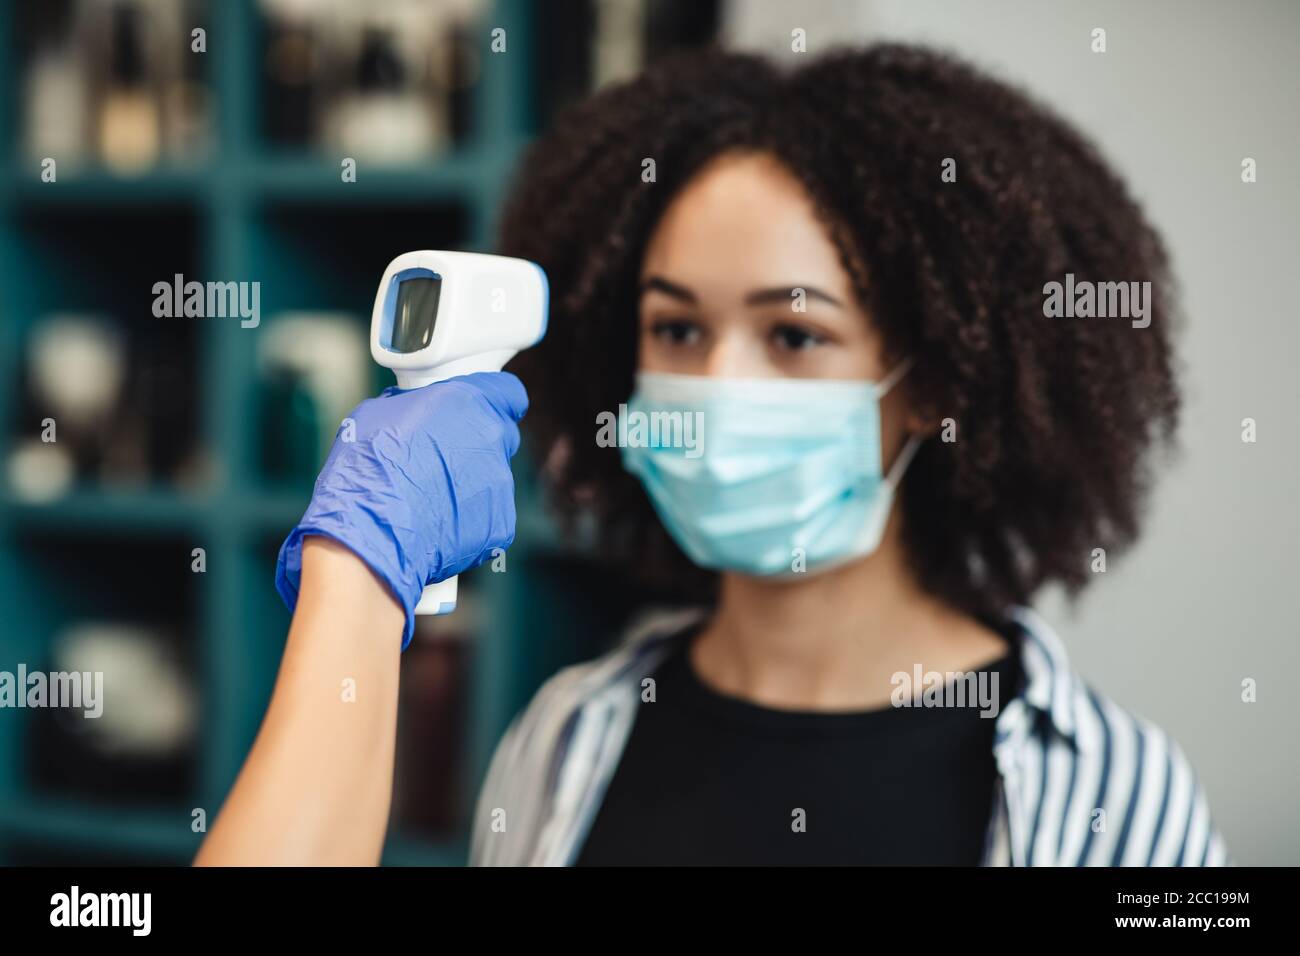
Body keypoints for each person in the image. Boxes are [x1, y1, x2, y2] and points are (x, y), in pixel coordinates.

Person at [195, 44, 1228, 867]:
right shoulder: (560, 739)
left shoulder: (1111, 790)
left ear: (932, 386)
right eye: (676, 329)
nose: (719, 385)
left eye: (793, 334)